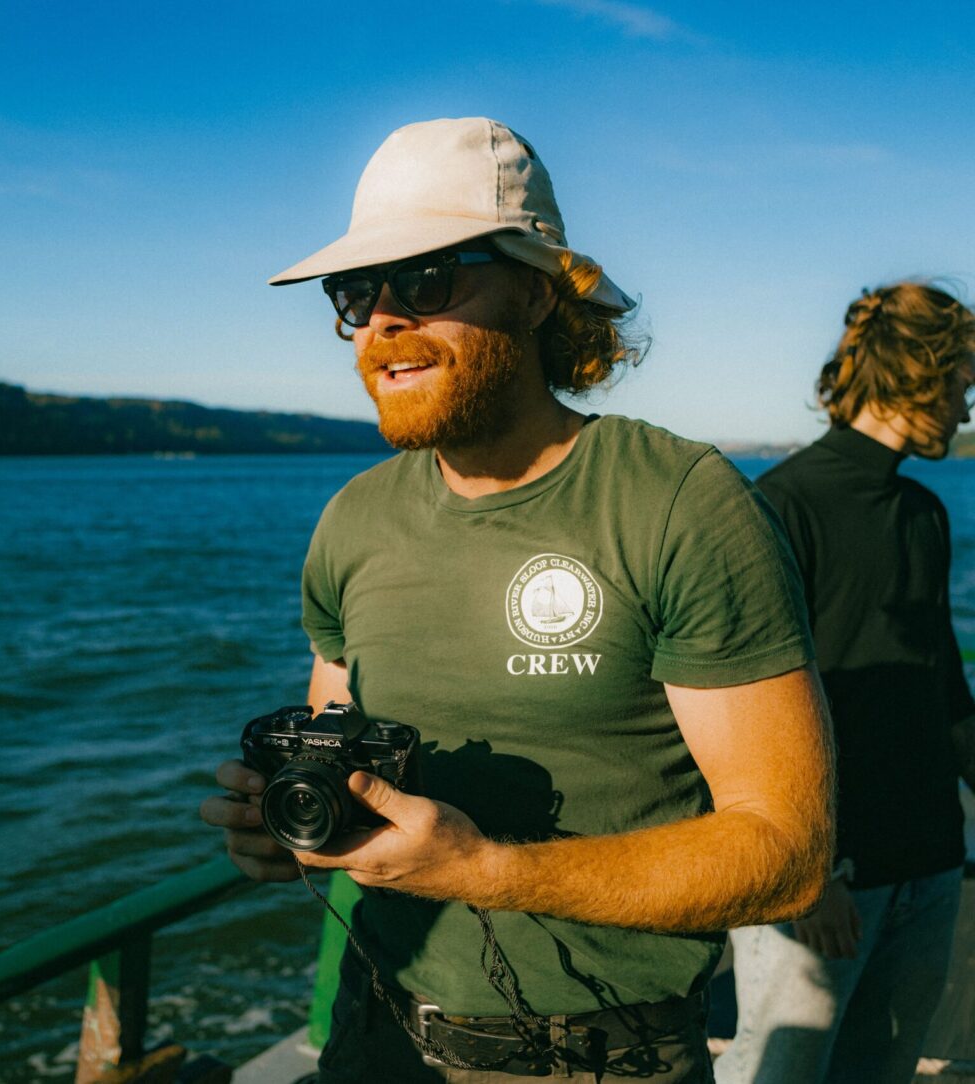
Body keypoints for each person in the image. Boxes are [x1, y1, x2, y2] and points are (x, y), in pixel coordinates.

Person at [200, 117, 834, 1083]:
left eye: (424, 280)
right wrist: (300, 828)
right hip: (373, 1044)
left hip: (601, 1059)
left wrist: (487, 869)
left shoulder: (675, 501)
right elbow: (335, 736)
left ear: (538, 294)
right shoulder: (352, 522)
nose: (383, 322)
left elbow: (788, 851)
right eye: (357, 293)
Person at [714, 282, 975, 1084]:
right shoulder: (780, 510)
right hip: (826, 882)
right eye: (963, 386)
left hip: (928, 866)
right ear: (917, 373)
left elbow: (944, 694)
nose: (967, 411)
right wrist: (807, 876)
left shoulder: (923, 514)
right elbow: (741, 718)